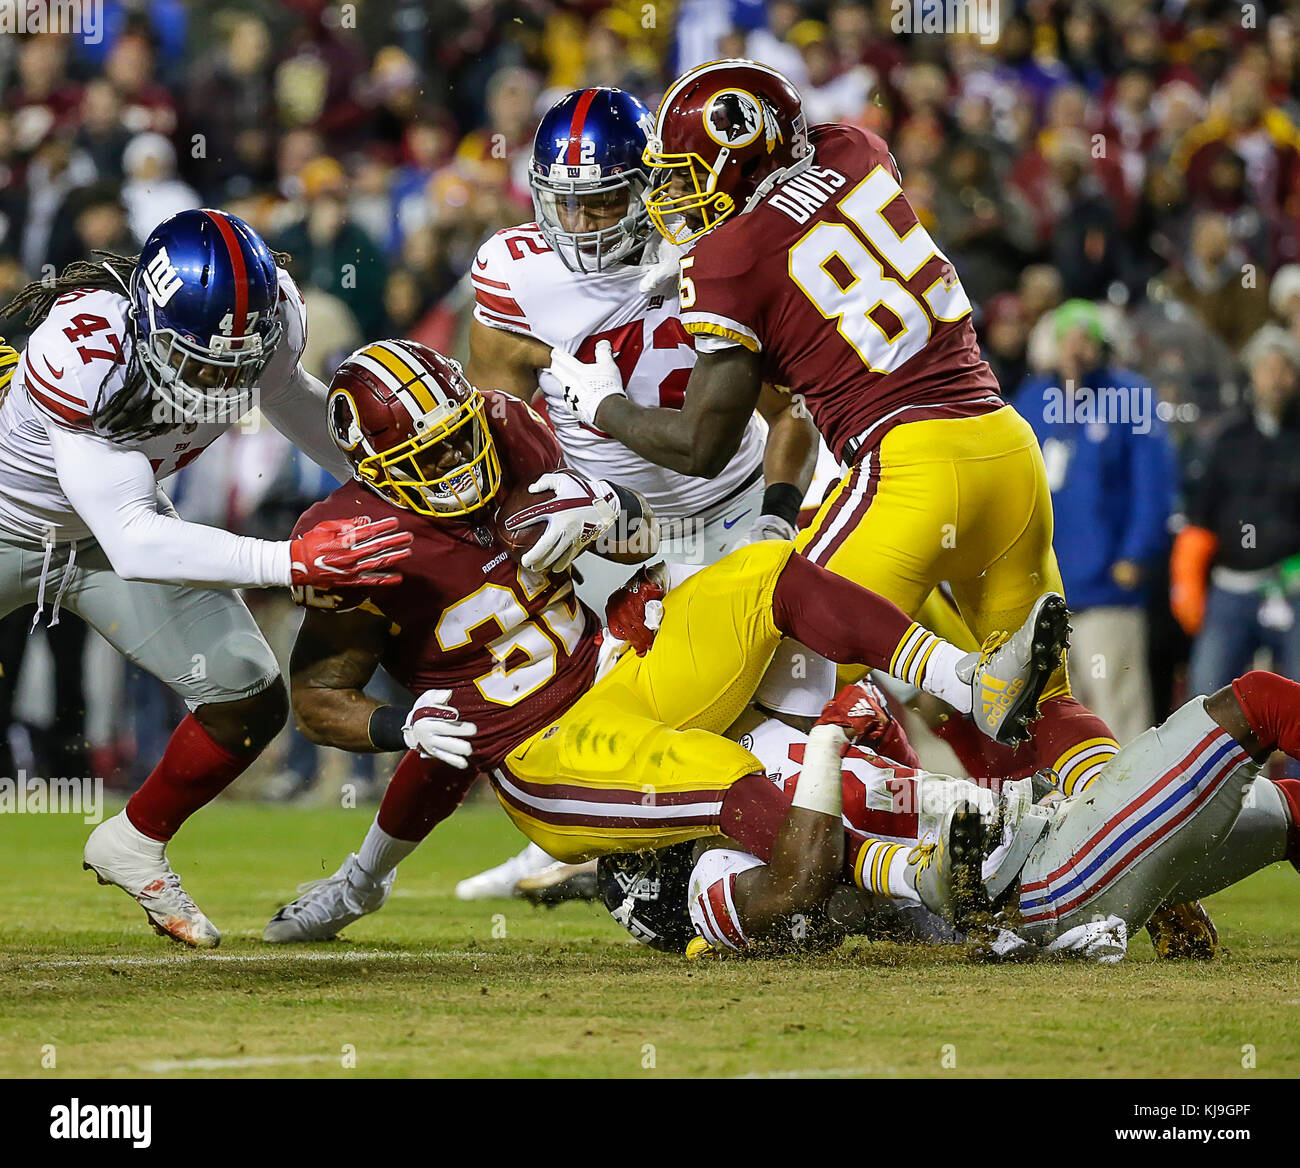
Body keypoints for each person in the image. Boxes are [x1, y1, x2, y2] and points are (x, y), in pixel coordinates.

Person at [259, 339, 1067, 942]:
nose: (458, 460)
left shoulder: (505, 426)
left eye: (459, 436)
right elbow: (318, 699)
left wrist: (608, 509)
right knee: (760, 797)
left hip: (620, 667)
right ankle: (925, 885)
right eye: (427, 455)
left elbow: (635, 543)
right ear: (373, 468)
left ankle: (969, 682)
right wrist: (396, 727)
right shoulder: (352, 538)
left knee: (766, 569)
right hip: (547, 745)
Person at [546, 60, 1120, 804]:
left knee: (783, 663)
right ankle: (1139, 866)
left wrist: (602, 407)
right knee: (1045, 704)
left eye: (687, 177)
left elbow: (701, 445)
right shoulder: (857, 150)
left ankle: (887, 860)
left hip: (911, 465)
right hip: (1005, 449)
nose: (673, 196)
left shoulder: (728, 257)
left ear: (737, 160)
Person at [0, 209, 411, 947]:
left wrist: (394, 489)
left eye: (235, 365)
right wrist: (287, 561)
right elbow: (132, 538)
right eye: (197, 362)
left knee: (247, 696)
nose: (218, 384)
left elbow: (291, 403)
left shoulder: (273, 317)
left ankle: (133, 840)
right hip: (24, 522)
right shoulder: (83, 346)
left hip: (104, 533)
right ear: (146, 322)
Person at [459, 85, 818, 897]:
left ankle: (775, 850)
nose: (582, 226)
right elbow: (498, 425)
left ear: (650, 184)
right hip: (600, 530)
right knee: (561, 705)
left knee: (782, 711)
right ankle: (577, 846)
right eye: (566, 205)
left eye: (604, 202)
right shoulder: (514, 272)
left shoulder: (711, 249)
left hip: (728, 511)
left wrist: (775, 517)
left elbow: (791, 409)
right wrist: (560, 502)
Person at [1013, 300, 1176, 745]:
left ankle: (1140, 805)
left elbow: (1154, 485)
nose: (1076, 349)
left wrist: (1136, 553)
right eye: (1068, 338)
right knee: (1061, 711)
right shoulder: (1031, 399)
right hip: (1046, 584)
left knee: (1119, 702)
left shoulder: (1130, 396)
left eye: (1087, 339)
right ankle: (1074, 809)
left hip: (1107, 583)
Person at [1174, 333, 1300, 711]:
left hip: (1293, 584)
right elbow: (1200, 519)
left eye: (1284, 370)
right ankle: (1203, 772)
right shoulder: (1227, 439)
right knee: (1204, 695)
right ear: (1252, 375)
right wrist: (1188, 584)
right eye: (1266, 369)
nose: (1275, 379)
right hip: (1233, 585)